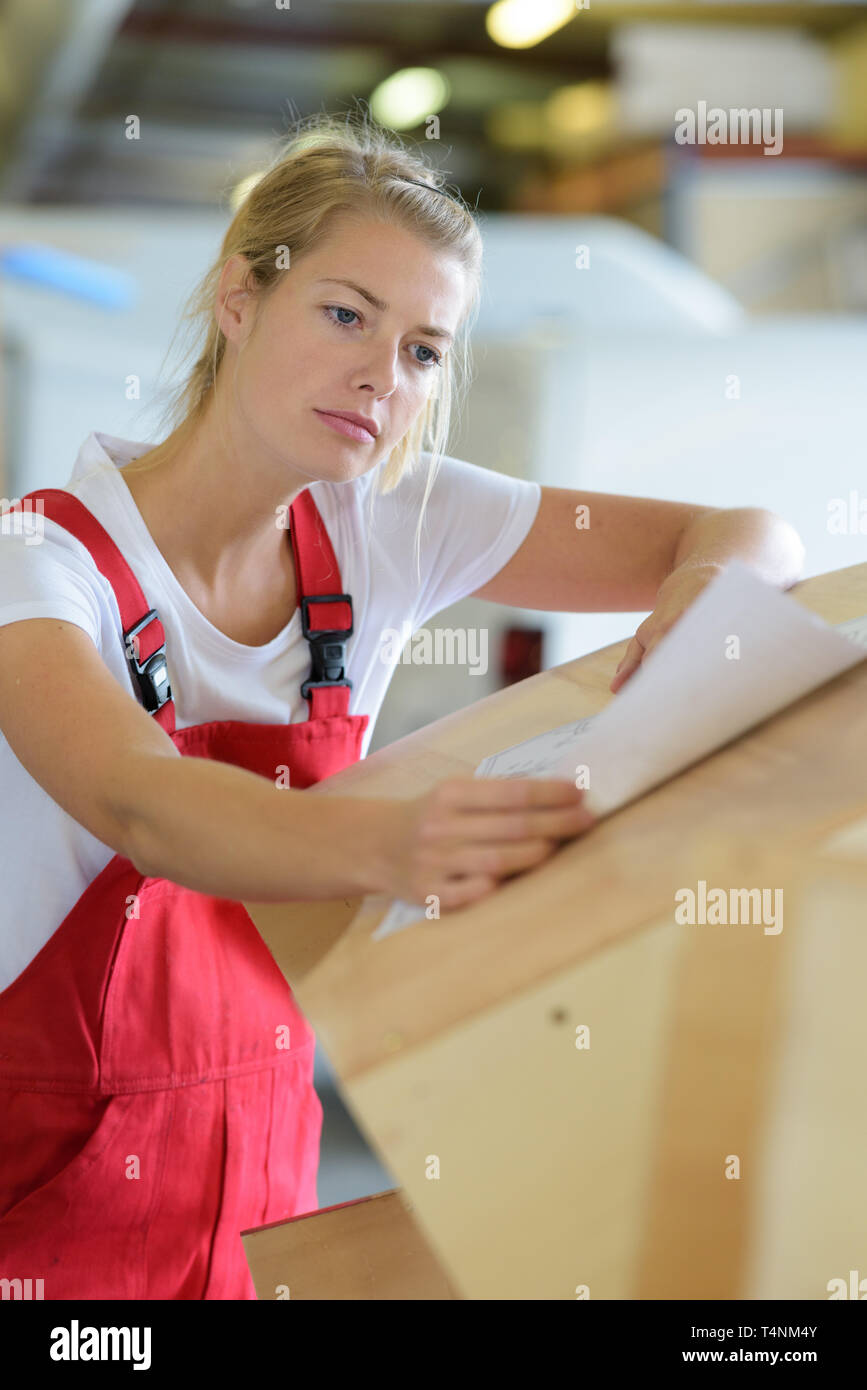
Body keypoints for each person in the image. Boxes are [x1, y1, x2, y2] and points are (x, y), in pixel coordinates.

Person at [0, 111, 804, 1300]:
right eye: (345, 314)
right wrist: (395, 840)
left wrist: (701, 600)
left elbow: (749, 530)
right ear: (238, 299)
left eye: (427, 349)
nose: (385, 375)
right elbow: (144, 800)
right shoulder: (41, 564)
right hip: (46, 1188)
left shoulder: (390, 521)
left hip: (260, 1165)